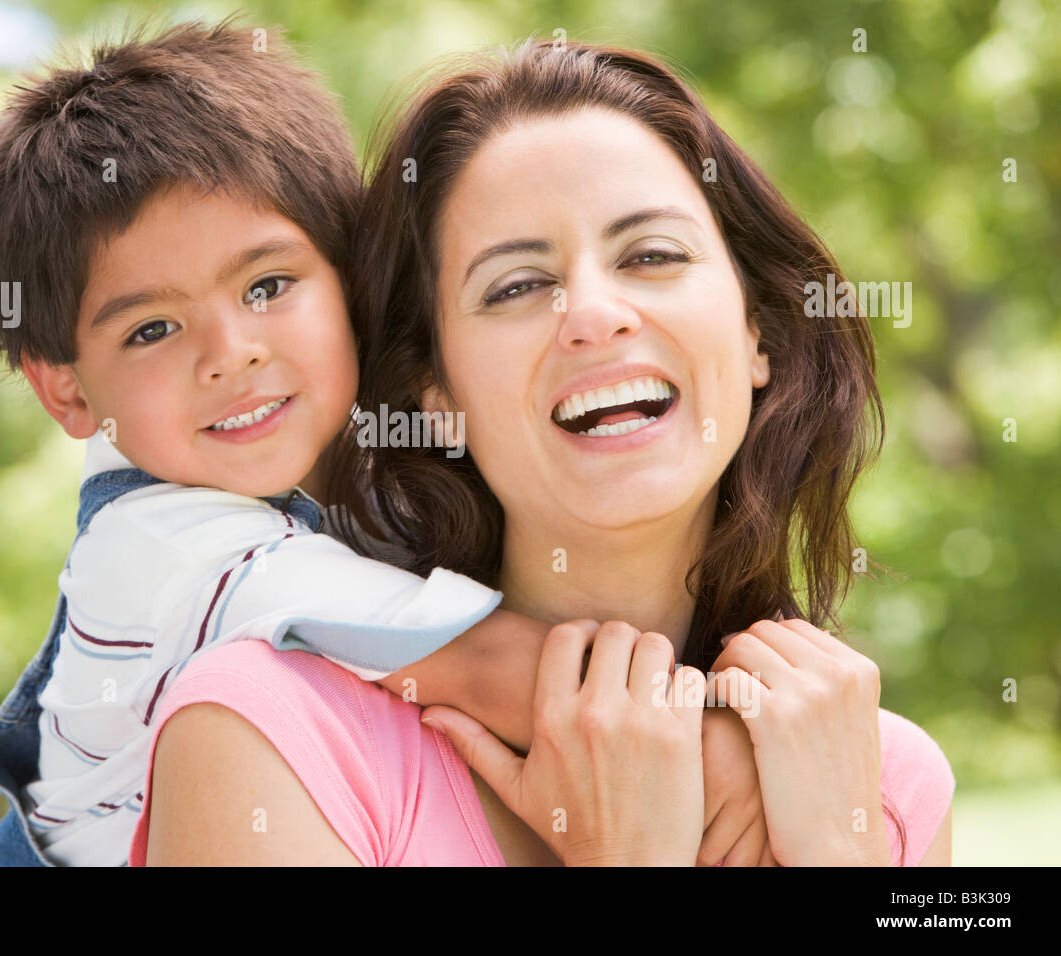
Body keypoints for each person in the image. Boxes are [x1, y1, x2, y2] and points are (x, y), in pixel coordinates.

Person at [132, 39, 955, 866]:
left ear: (756, 334)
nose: (593, 313)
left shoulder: (881, 779)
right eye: (516, 285)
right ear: (437, 395)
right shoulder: (266, 733)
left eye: (651, 256)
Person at [0, 19, 584, 867]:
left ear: (351, 274)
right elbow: (510, 676)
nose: (230, 354)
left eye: (269, 284)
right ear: (65, 386)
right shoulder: (164, 550)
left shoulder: (381, 442)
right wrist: (740, 735)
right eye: (152, 330)